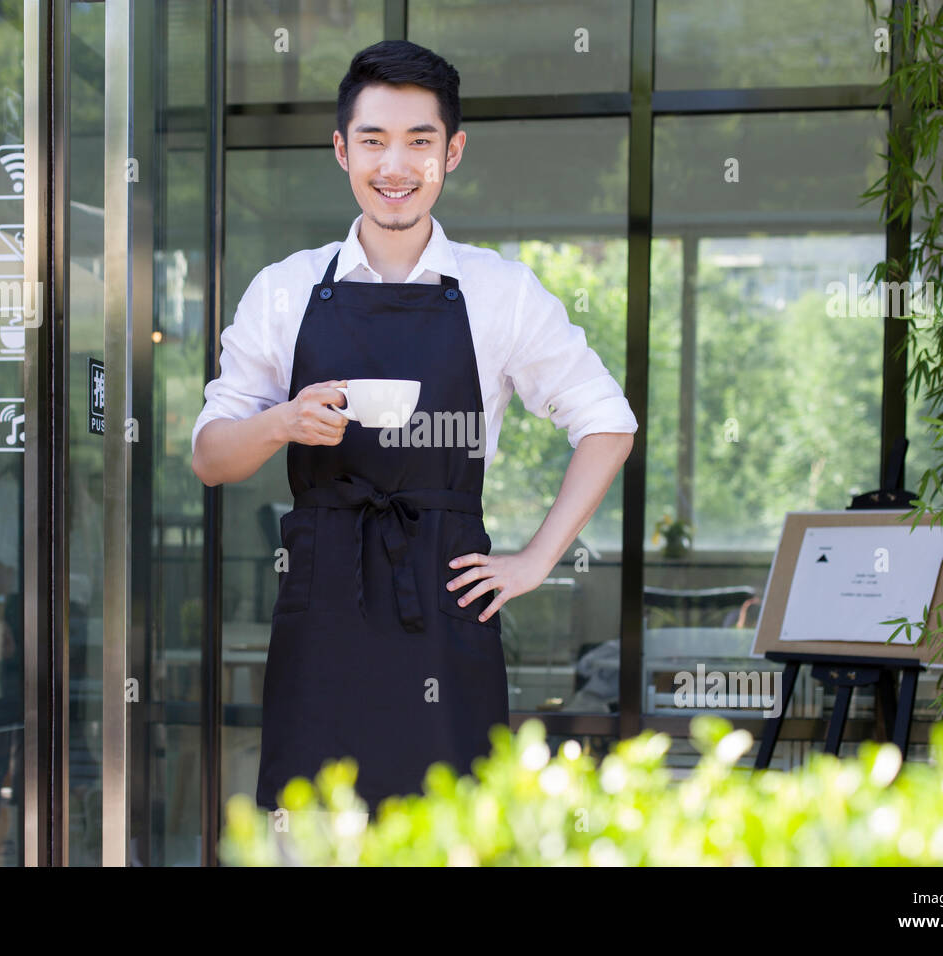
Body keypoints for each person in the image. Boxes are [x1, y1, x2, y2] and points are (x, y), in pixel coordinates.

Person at [192, 40, 637, 813]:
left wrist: (536, 560)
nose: (395, 165)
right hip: (324, 601)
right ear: (341, 149)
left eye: (419, 142)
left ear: (452, 151)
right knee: (311, 832)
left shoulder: (500, 291)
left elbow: (608, 422)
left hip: (444, 605)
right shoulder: (286, 289)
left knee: (449, 830)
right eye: (373, 141)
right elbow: (209, 457)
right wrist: (282, 424)